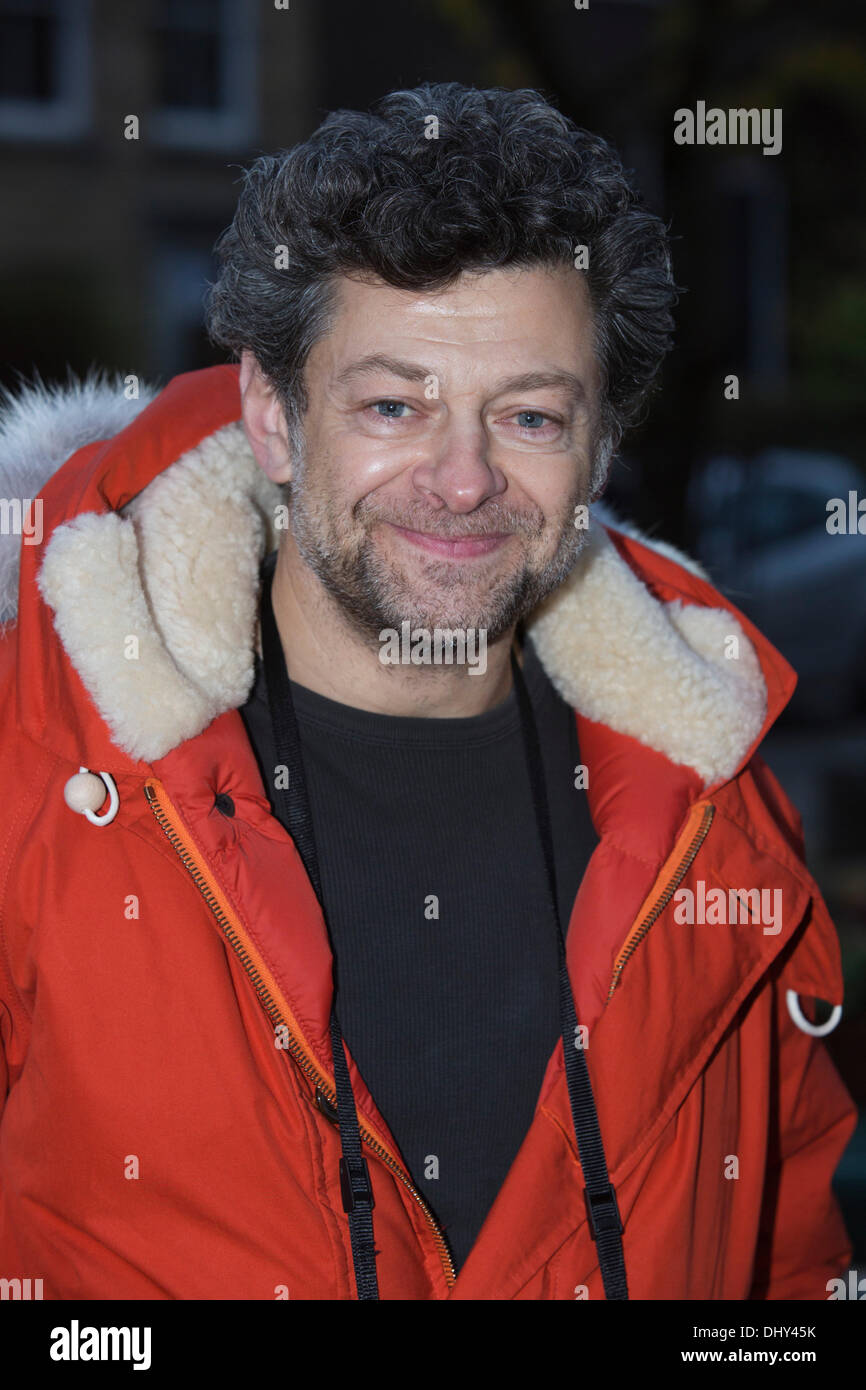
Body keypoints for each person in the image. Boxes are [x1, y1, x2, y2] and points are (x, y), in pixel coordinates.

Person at [0, 82, 856, 1301]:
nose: (462, 481)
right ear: (273, 418)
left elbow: (789, 1258)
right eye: (392, 405)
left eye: (527, 415)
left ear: (599, 445)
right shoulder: (35, 770)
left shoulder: (715, 809)